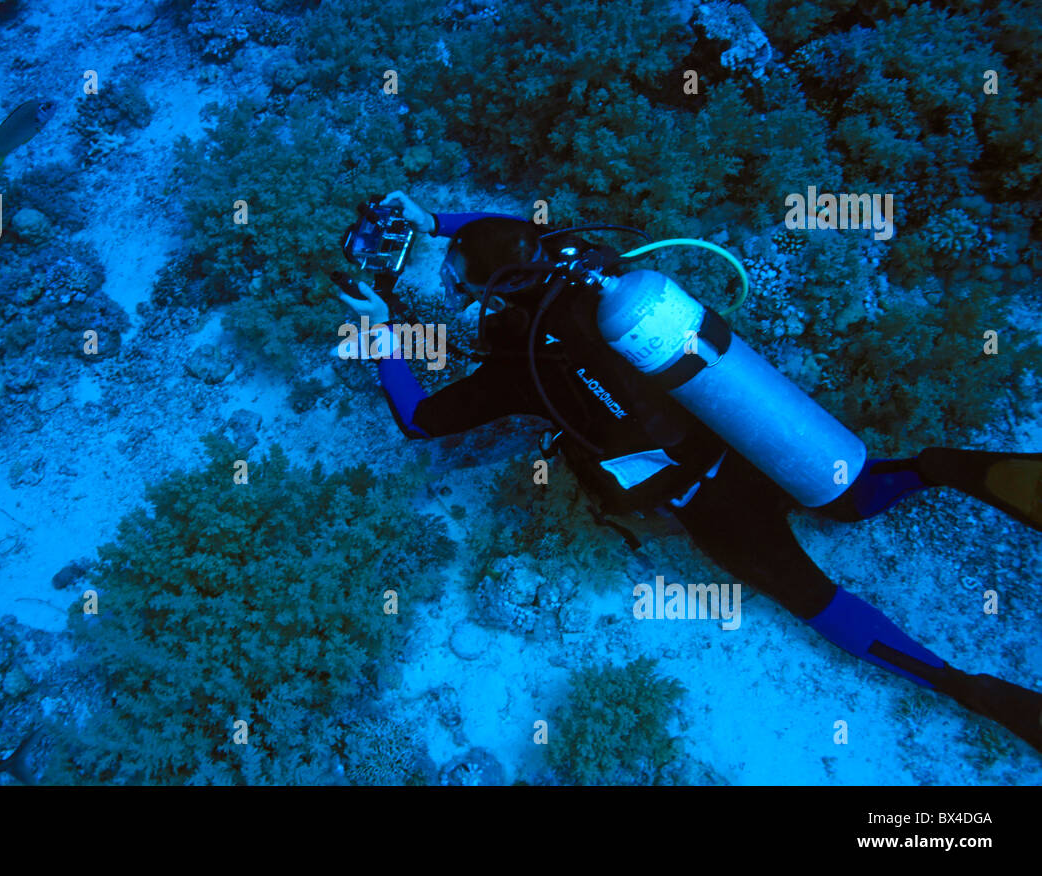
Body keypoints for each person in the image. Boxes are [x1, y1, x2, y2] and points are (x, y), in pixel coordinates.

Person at [336, 190, 1042, 756]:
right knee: (854, 497)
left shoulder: (523, 366)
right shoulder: (584, 256)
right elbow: (515, 233)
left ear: (488, 293)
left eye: (462, 281)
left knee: (810, 595)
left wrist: (380, 334)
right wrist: (435, 219)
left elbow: (419, 421)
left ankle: (963, 687)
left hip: (707, 498)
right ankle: (942, 468)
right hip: (754, 434)